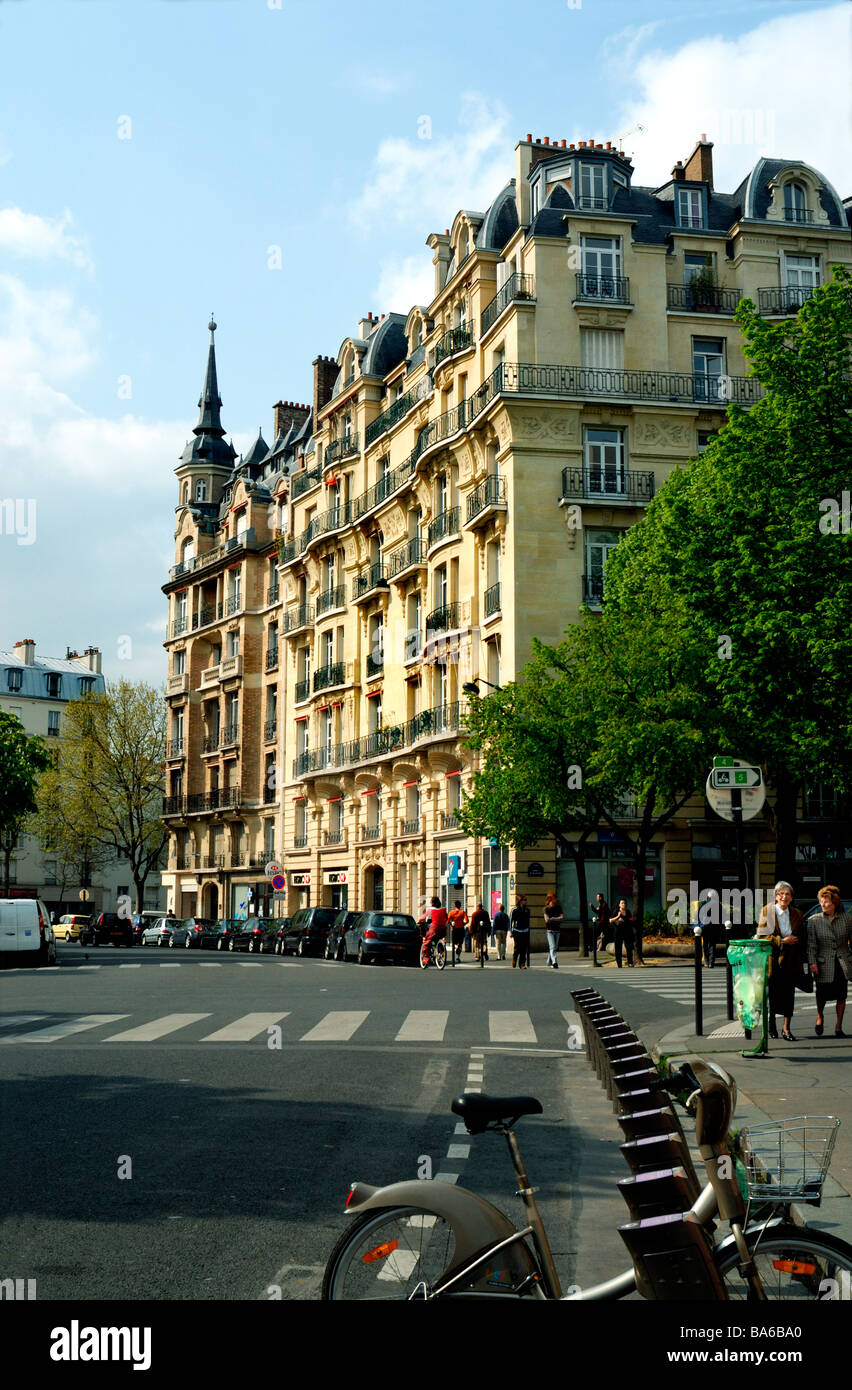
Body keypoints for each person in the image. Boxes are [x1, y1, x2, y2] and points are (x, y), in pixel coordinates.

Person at [755, 881, 804, 1041]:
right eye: (781, 893)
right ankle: (772, 1026)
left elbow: (803, 935)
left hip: (791, 959)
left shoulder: (797, 913)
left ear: (791, 897)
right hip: (773, 959)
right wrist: (782, 941)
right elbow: (762, 936)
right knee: (773, 994)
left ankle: (786, 1029)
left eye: (787, 894)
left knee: (789, 995)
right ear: (776, 896)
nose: (784, 896)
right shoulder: (767, 911)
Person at [806, 885, 852, 1037]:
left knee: (841, 995)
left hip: (842, 962)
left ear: (835, 903)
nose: (823, 904)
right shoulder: (814, 920)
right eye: (821, 901)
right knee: (822, 995)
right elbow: (811, 944)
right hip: (823, 963)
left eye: (826, 902)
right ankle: (820, 1016)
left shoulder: (846, 919)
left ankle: (838, 1027)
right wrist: (812, 962)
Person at [421, 896, 448, 967]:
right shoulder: (442, 910)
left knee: (427, 941)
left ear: (432, 903)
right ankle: (440, 950)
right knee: (437, 938)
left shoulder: (430, 910)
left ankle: (426, 957)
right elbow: (446, 918)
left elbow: (423, 917)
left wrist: (419, 921)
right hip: (443, 929)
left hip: (434, 928)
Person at [609, 899, 635, 968]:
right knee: (618, 948)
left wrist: (628, 920)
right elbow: (610, 920)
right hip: (618, 932)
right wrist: (618, 917)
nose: (624, 904)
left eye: (625, 903)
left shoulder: (628, 911)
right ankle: (619, 964)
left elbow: (630, 920)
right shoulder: (616, 911)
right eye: (622, 903)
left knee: (629, 947)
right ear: (619, 905)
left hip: (627, 932)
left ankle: (630, 962)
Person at [543, 892, 564, 969]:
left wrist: (553, 919)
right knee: (552, 946)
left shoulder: (558, 907)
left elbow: (561, 918)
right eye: (555, 898)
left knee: (554, 947)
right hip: (550, 931)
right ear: (551, 899)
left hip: (557, 930)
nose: (556, 899)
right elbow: (547, 920)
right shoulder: (546, 908)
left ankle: (549, 961)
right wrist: (556, 919)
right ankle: (554, 962)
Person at [510, 895, 531, 970]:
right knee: (517, 947)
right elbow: (511, 920)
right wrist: (511, 931)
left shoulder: (527, 910)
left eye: (526, 900)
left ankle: (522, 963)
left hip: (525, 930)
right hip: (516, 930)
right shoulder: (514, 910)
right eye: (524, 900)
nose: (525, 901)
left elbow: (528, 921)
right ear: (520, 901)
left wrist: (528, 930)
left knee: (524, 948)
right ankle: (514, 959)